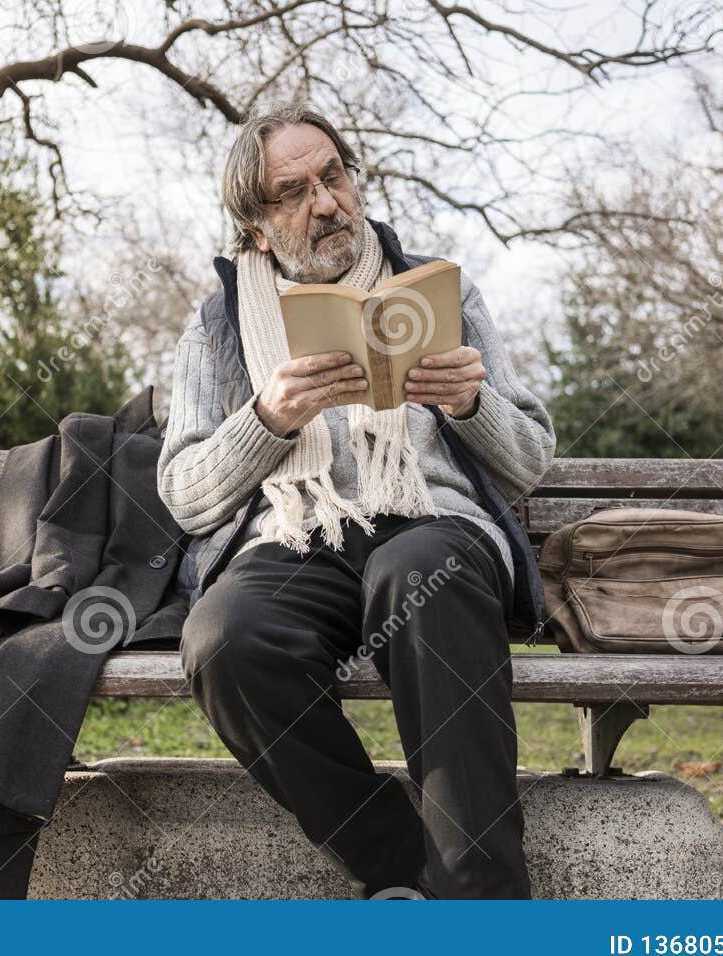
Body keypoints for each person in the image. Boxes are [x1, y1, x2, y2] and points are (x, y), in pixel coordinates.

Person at [157, 104, 556, 899]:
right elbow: (184, 496)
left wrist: (470, 406)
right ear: (259, 229)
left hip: (436, 528)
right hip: (298, 536)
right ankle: (403, 868)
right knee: (224, 638)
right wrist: (267, 419)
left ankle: (483, 906)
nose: (327, 202)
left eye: (333, 176)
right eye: (294, 191)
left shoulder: (441, 290)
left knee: (417, 570)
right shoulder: (218, 330)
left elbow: (528, 462)